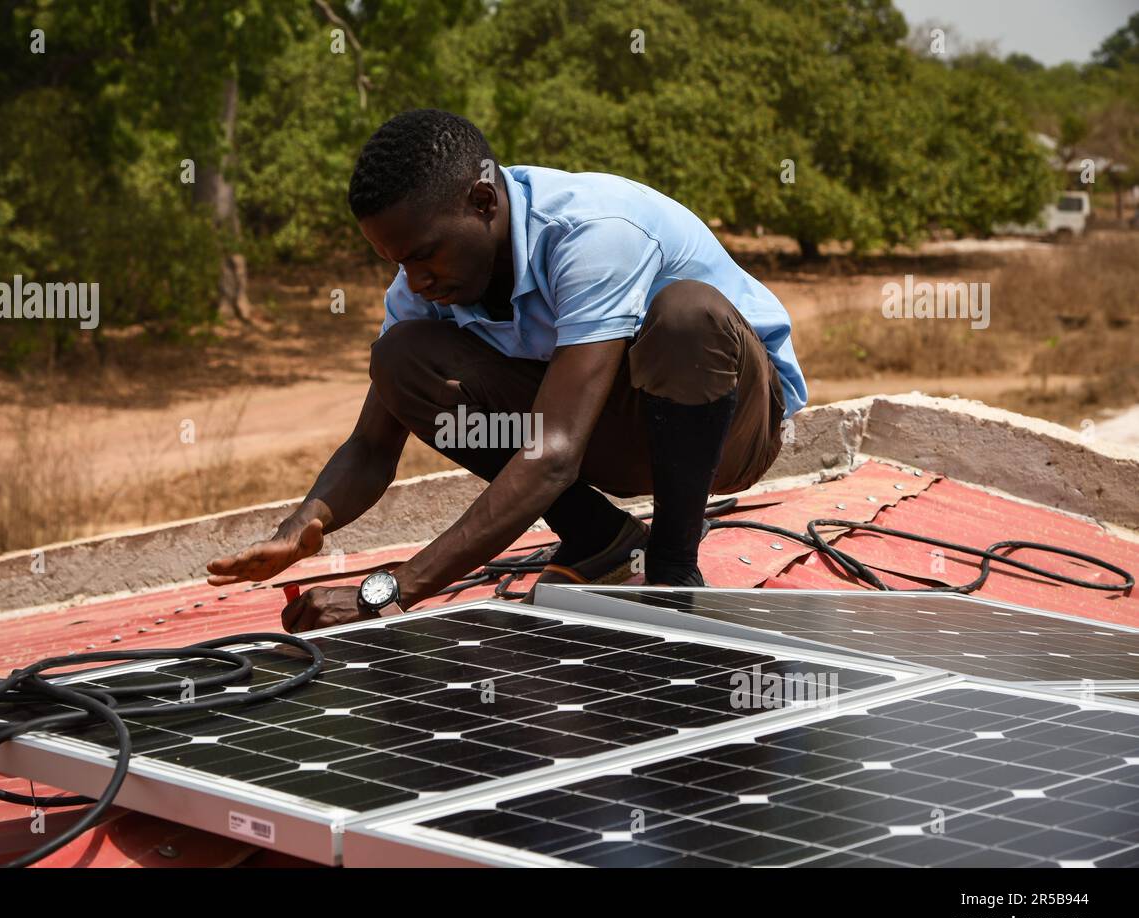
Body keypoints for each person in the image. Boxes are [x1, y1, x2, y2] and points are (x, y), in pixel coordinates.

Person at [206, 109, 806, 633]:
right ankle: (603, 541)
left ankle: (673, 569)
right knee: (402, 359)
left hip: (727, 432)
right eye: (394, 263)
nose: (414, 281)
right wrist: (304, 520)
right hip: (606, 431)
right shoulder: (425, 281)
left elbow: (553, 452)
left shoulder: (593, 234)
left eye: (422, 256)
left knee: (685, 315)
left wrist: (394, 589)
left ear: (484, 201)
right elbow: (370, 445)